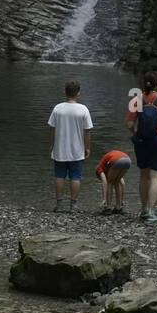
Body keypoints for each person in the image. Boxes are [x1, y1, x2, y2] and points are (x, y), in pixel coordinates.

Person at [125, 72, 157, 223]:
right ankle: (151, 212)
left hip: (142, 141)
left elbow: (129, 124)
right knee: (155, 176)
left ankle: (143, 209)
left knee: (143, 175)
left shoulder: (137, 99)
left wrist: (136, 133)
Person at [48, 80, 93, 213]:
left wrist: (51, 145)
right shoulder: (83, 109)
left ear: (65, 92)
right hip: (77, 150)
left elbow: (52, 129)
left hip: (60, 149)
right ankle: (73, 205)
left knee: (59, 176)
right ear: (78, 93)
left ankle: (59, 204)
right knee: (75, 177)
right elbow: (87, 131)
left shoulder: (58, 108)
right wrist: (87, 147)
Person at [95, 150, 132, 215]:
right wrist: (122, 200)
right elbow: (122, 183)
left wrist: (104, 199)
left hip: (117, 160)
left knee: (110, 182)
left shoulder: (99, 169)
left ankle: (108, 208)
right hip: (127, 160)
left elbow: (105, 183)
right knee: (117, 182)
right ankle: (118, 207)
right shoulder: (109, 168)